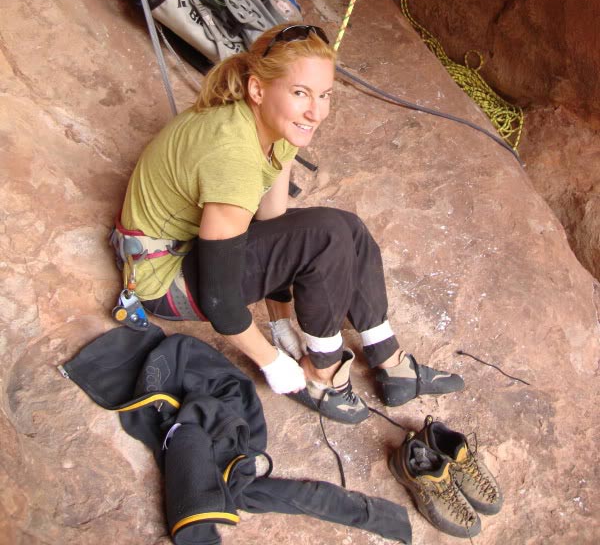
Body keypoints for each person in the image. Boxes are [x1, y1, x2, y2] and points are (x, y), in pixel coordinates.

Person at [112, 23, 464, 424]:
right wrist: (273, 360)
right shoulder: (233, 156)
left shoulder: (275, 129)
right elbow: (219, 301)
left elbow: (273, 228)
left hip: (197, 247)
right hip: (163, 279)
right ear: (258, 89)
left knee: (346, 228)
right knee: (327, 236)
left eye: (324, 95)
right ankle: (323, 375)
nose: (316, 112)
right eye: (300, 94)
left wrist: (281, 320)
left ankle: (389, 359)